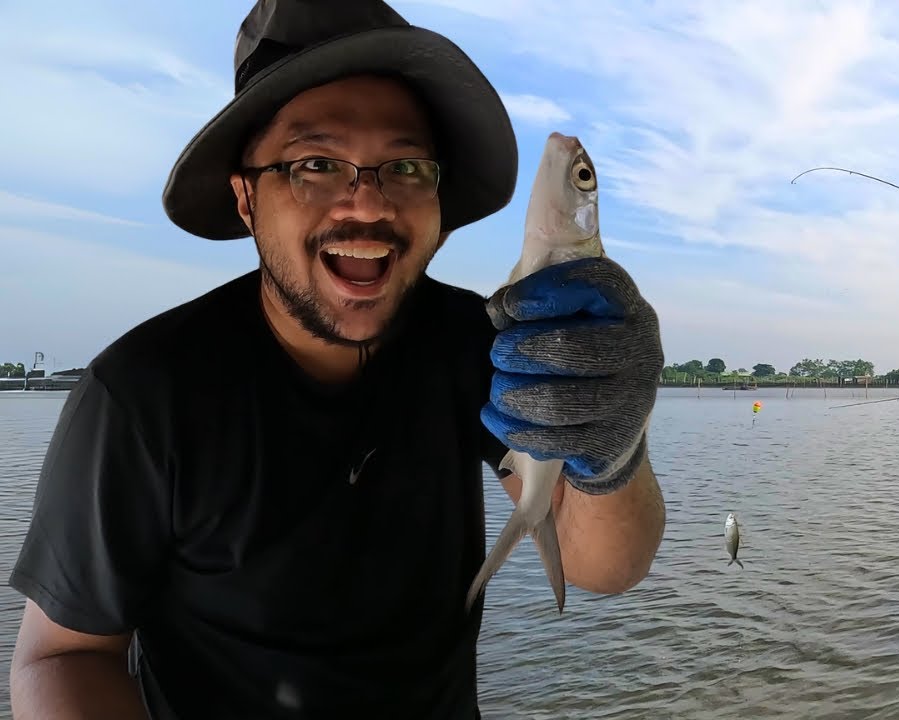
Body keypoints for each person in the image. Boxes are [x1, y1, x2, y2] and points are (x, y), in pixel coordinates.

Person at [7, 1, 667, 718]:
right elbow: (62, 655)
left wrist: (613, 449)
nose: (366, 200)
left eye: (406, 164)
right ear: (245, 199)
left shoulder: (476, 341)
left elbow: (602, 566)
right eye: (315, 163)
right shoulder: (143, 396)